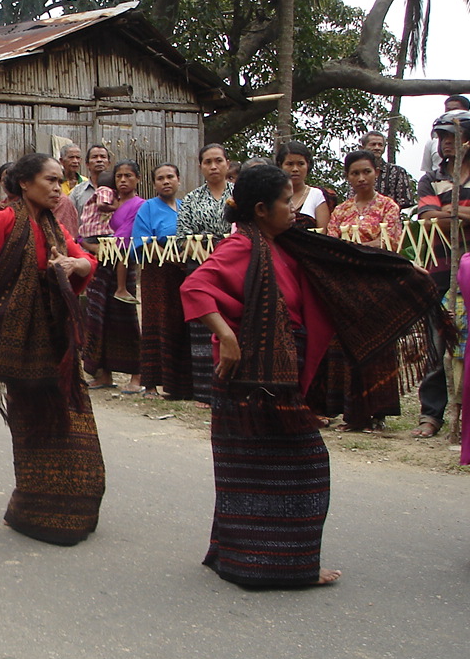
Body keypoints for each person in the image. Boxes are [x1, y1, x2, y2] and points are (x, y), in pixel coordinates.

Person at [181, 164, 445, 588]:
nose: (293, 209)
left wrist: (399, 273)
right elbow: (194, 287)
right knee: (302, 467)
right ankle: (282, 566)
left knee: (248, 470)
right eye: (286, 202)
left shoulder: (285, 242)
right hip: (253, 380)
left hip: (273, 376)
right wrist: (227, 336)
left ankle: (240, 558)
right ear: (263, 209)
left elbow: (346, 263)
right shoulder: (242, 246)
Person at [0, 153, 102, 544]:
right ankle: (37, 512)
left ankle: (65, 509)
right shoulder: (6, 222)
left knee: (74, 426)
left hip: (57, 343)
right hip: (25, 347)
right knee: (36, 425)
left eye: (61, 181)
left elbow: (86, 262)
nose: (57, 188)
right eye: (50, 179)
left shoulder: (55, 228)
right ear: (25, 184)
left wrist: (77, 268)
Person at [323, 149, 404, 432]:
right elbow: (332, 248)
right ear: (347, 177)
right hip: (345, 289)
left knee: (377, 347)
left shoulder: (388, 207)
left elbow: (390, 243)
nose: (361, 178)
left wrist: (353, 252)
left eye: (366, 172)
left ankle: (377, 414)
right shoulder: (341, 210)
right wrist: (354, 254)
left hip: (378, 286)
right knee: (346, 348)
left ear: (376, 173)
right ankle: (350, 414)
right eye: (355, 173)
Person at [412, 110, 470, 438]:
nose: (447, 143)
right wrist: (461, 214)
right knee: (436, 343)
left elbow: (440, 214)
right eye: (442, 137)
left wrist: (448, 211)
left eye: (453, 136)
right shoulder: (430, 178)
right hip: (440, 267)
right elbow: (427, 218)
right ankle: (431, 415)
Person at [177, 143, 233, 406]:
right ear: (200, 166)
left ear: (227, 163)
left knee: (232, 324)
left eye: (218, 161)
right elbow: (182, 237)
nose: (213, 166)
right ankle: (204, 391)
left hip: (234, 268)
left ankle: (230, 388)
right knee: (202, 328)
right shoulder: (190, 199)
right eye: (208, 162)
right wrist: (205, 257)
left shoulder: (239, 194)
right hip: (200, 268)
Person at [132, 164, 192, 399]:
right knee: (156, 322)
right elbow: (142, 241)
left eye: (170, 177)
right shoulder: (147, 208)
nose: (166, 181)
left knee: (183, 324)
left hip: (185, 273)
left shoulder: (187, 207)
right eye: (160, 178)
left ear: (178, 180)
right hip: (158, 273)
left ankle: (181, 385)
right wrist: (171, 256)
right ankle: (151, 385)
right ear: (154, 184)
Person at [83, 161, 143, 391]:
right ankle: (103, 373)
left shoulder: (139, 205)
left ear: (137, 178)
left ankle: (137, 376)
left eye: (128, 176)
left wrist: (105, 247)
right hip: (100, 264)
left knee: (125, 317)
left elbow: (126, 234)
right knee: (98, 317)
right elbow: (88, 231)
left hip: (123, 264)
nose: (123, 180)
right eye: (119, 176)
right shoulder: (105, 201)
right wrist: (91, 246)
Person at [277, 142, 330, 229]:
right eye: (290, 164)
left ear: (307, 165)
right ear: (280, 165)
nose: (295, 169)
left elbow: (323, 234)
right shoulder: (274, 195)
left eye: (300, 164)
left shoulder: (316, 195)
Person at [359, 130, 415, 209]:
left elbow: (406, 204)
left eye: (380, 145)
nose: (377, 148)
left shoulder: (397, 172)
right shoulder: (357, 173)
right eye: (373, 144)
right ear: (363, 147)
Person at [70, 144, 109, 218]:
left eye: (103, 157)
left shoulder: (117, 191)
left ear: (109, 163)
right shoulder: (77, 192)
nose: (99, 160)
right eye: (94, 157)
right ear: (87, 164)